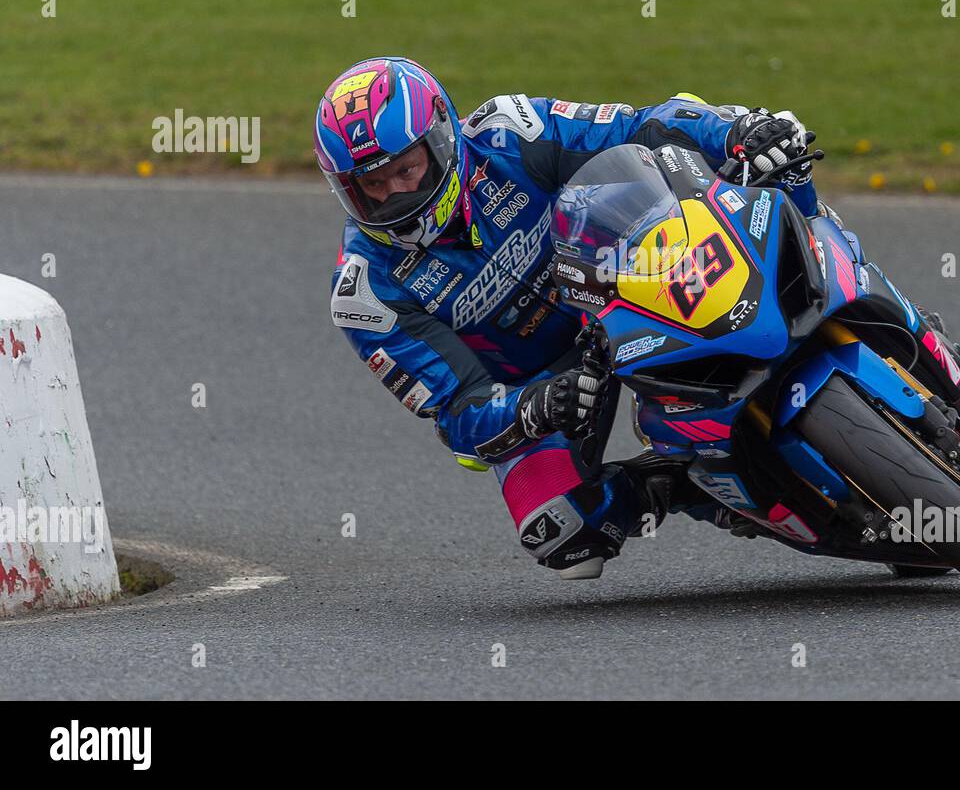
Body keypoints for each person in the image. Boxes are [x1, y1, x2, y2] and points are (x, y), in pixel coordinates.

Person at [318, 56, 861, 578]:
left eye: (406, 170)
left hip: (625, 288)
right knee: (560, 531)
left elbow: (637, 127)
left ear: (442, 138)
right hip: (551, 384)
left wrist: (737, 131)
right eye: (373, 184)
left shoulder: (512, 133)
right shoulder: (367, 291)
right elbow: (458, 411)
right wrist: (534, 409)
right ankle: (700, 484)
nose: (395, 196)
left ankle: (851, 285)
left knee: (770, 160)